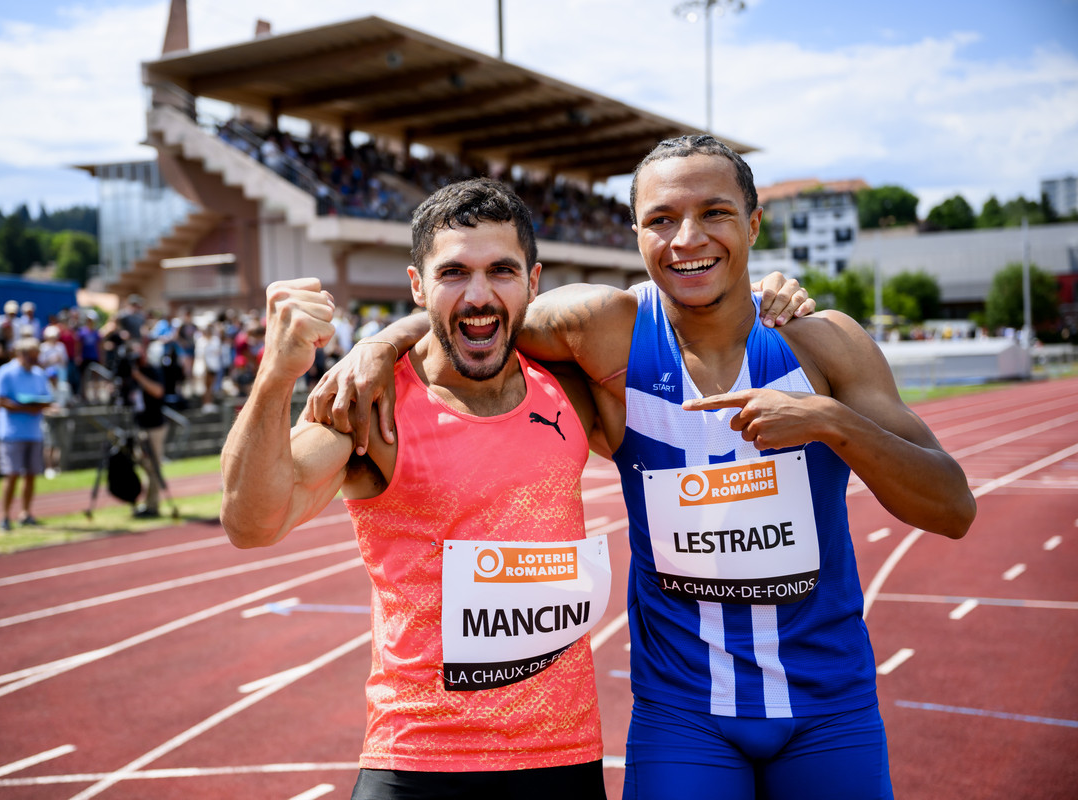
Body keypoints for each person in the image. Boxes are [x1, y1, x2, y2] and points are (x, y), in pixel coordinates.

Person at [309, 137, 976, 799]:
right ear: (636, 233)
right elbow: (479, 313)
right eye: (661, 219)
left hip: (829, 708)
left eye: (714, 213)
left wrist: (831, 421)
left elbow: (952, 508)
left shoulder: (825, 343)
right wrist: (378, 342)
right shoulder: (607, 330)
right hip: (684, 716)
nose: (688, 238)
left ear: (754, 223)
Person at [223, 178, 810, 799]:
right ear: (418, 288)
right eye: (453, 273)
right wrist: (277, 372)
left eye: (501, 271)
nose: (479, 295)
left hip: (563, 763)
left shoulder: (569, 391)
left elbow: (702, 412)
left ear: (533, 283)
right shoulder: (377, 407)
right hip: (420, 766)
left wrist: (763, 297)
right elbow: (253, 521)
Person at [0, 337, 54, 531]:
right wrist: (24, 407)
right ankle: (4, 516)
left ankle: (26, 513)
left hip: (34, 433)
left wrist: (39, 405)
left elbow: (47, 399)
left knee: (31, 475)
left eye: (36, 356)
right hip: (12, 433)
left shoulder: (39, 374)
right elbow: (0, 400)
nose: (34, 360)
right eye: (31, 356)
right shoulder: (5, 372)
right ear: (20, 354)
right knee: (11, 474)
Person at [120, 341, 168, 518]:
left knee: (154, 466)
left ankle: (152, 506)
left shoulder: (151, 370)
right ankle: (145, 500)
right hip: (139, 425)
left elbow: (158, 391)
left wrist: (138, 376)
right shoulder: (128, 375)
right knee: (143, 464)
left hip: (155, 425)